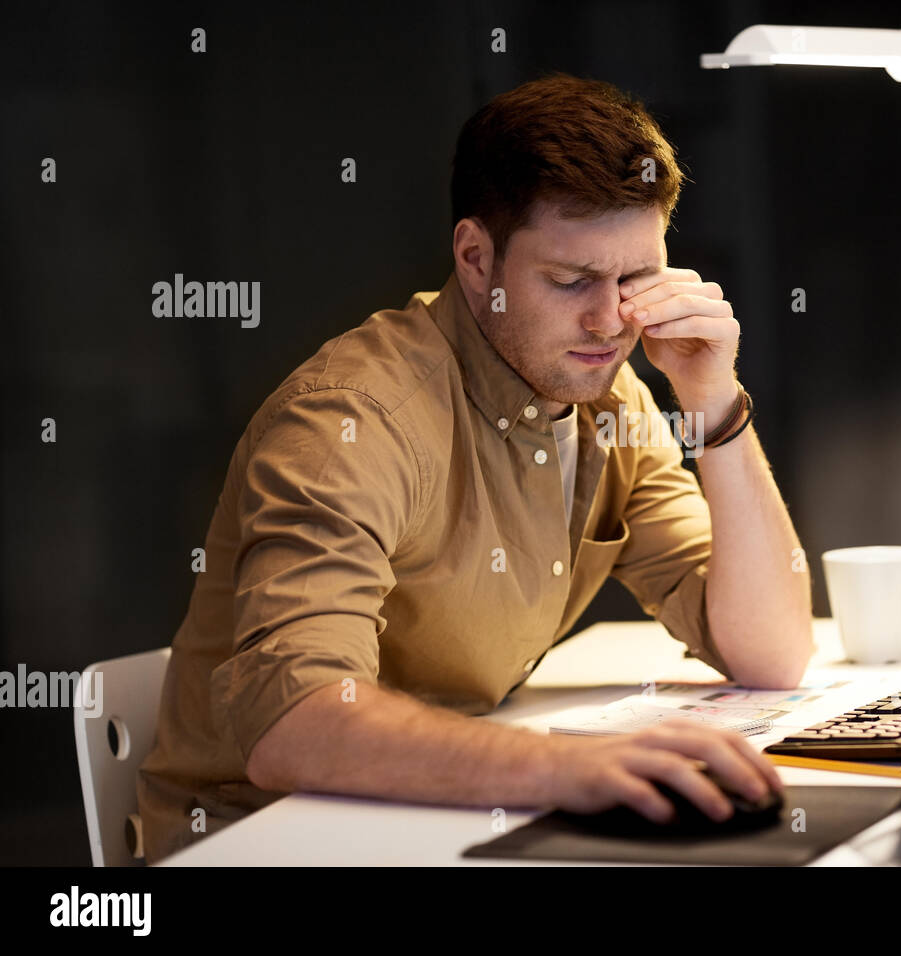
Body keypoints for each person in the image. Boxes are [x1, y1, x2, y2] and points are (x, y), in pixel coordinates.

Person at [137, 72, 812, 862]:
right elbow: (296, 723)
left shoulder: (612, 401)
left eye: (635, 278)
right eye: (570, 281)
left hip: (435, 820)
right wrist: (570, 768)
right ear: (476, 259)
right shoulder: (351, 420)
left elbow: (769, 652)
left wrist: (713, 399)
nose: (609, 321)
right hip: (263, 841)